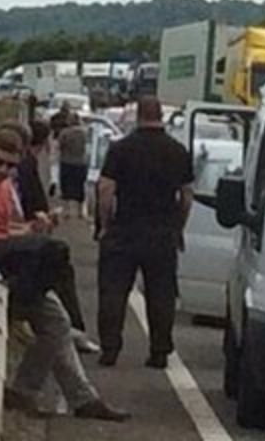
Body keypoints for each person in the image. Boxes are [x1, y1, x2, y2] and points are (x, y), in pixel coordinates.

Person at [0, 126, 128, 421]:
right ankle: (47, 393)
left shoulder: (4, 185)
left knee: (57, 325)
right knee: (55, 313)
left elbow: (2, 232)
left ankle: (75, 398)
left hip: (10, 264)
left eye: (10, 165)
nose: (2, 170)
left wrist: (32, 228)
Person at [96, 96, 194, 369]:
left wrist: (105, 223)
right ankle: (160, 351)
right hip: (162, 231)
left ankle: (110, 348)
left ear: (138, 115)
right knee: (161, 293)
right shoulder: (177, 151)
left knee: (114, 291)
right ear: (161, 115)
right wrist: (178, 227)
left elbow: (105, 189)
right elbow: (187, 195)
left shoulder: (121, 149)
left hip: (125, 228)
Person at [13, 119, 101, 354]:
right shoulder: (25, 166)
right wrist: (39, 223)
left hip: (18, 236)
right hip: (18, 242)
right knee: (59, 262)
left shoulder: (20, 167)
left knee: (56, 263)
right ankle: (73, 329)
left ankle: (68, 331)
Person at [58, 113, 89, 219]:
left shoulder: (65, 133)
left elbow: (60, 145)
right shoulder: (84, 132)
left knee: (66, 186)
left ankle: (67, 210)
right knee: (80, 186)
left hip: (66, 161)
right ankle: (81, 211)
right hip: (81, 162)